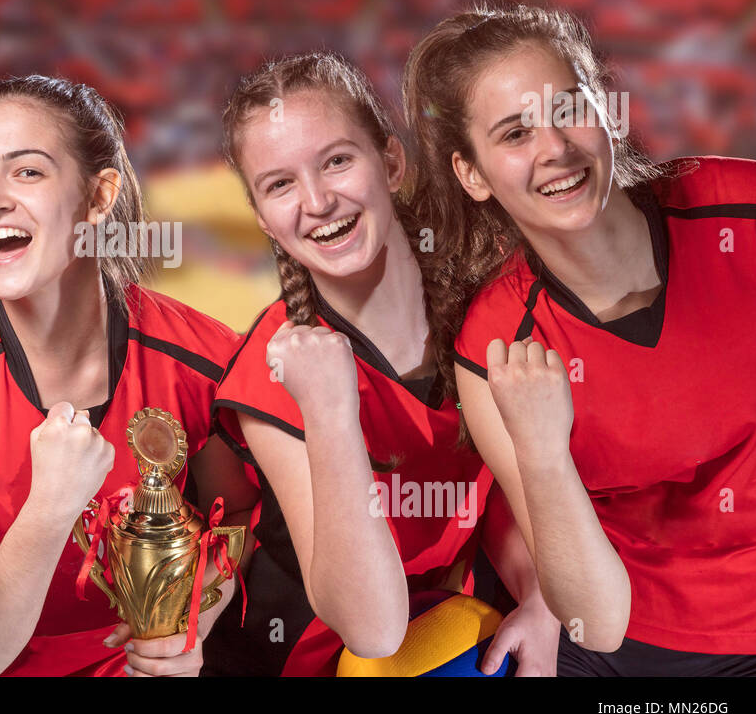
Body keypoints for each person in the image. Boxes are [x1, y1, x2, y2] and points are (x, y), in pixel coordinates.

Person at [404, 3, 756, 675]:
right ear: (474, 175)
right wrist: (544, 455)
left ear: (609, 107)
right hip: (625, 634)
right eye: (515, 134)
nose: (553, 148)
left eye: (568, 109)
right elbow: (596, 623)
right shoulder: (495, 350)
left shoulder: (751, 213)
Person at [0, 75, 258, 676]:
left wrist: (186, 624)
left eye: (26, 171)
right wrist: (53, 502)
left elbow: (233, 518)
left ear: (99, 196)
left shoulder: (202, 359)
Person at [202, 51, 558, 676]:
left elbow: (495, 484)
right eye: (280, 184)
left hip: (453, 620)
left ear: (391, 162)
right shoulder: (279, 364)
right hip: (317, 652)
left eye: (337, 160)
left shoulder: (484, 300)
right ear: (262, 217)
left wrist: (541, 598)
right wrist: (331, 410)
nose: (317, 200)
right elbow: (371, 630)